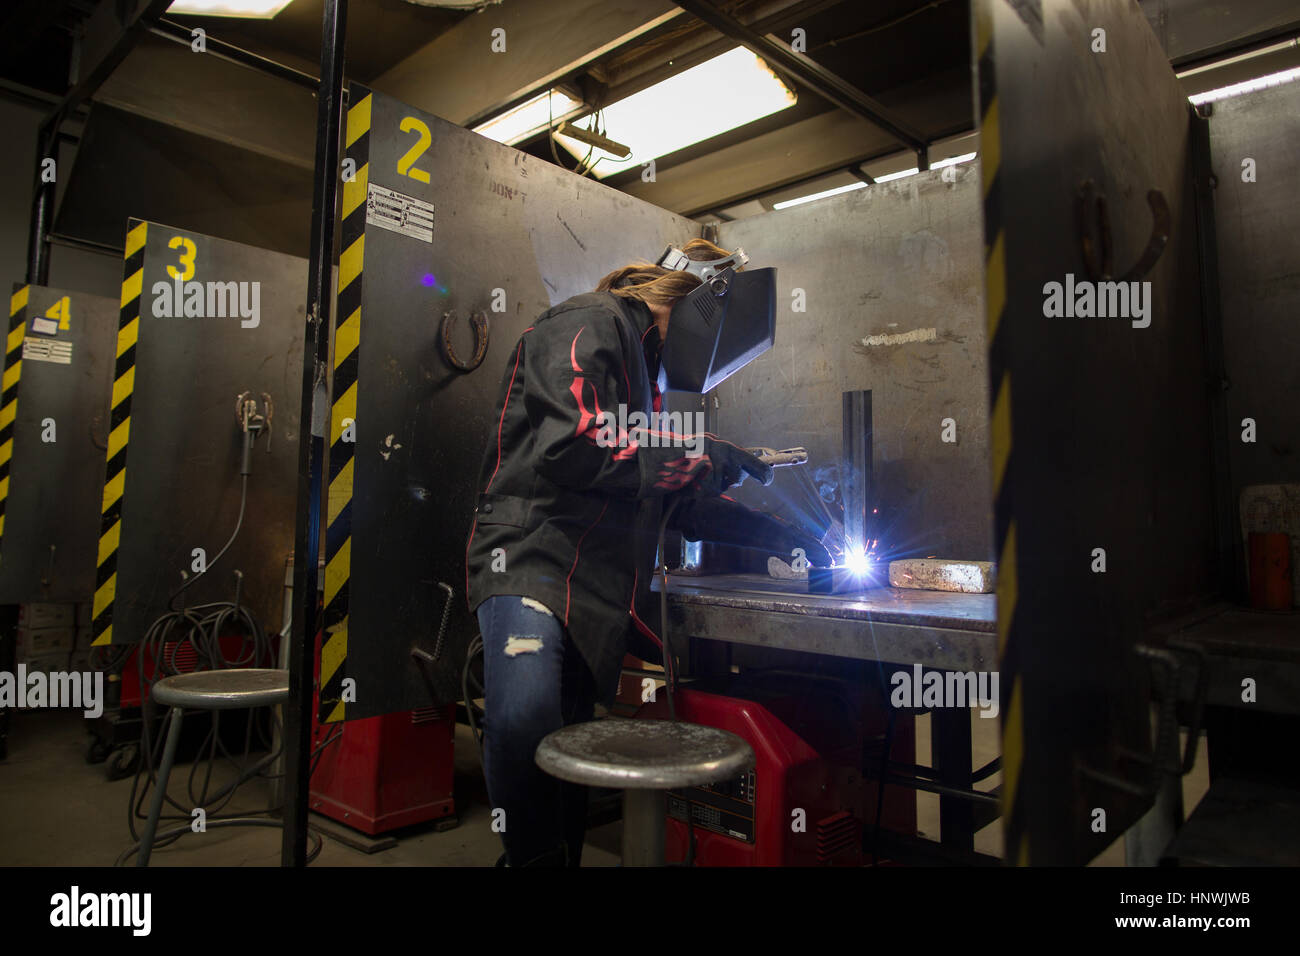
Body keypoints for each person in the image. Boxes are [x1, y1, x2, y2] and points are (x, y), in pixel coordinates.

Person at [464, 238, 830, 867]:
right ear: (683, 311)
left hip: (592, 593)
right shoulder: (588, 321)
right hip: (527, 558)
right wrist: (700, 454)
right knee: (525, 720)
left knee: (568, 745)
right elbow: (575, 444)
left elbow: (673, 500)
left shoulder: (647, 390)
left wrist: (783, 535)